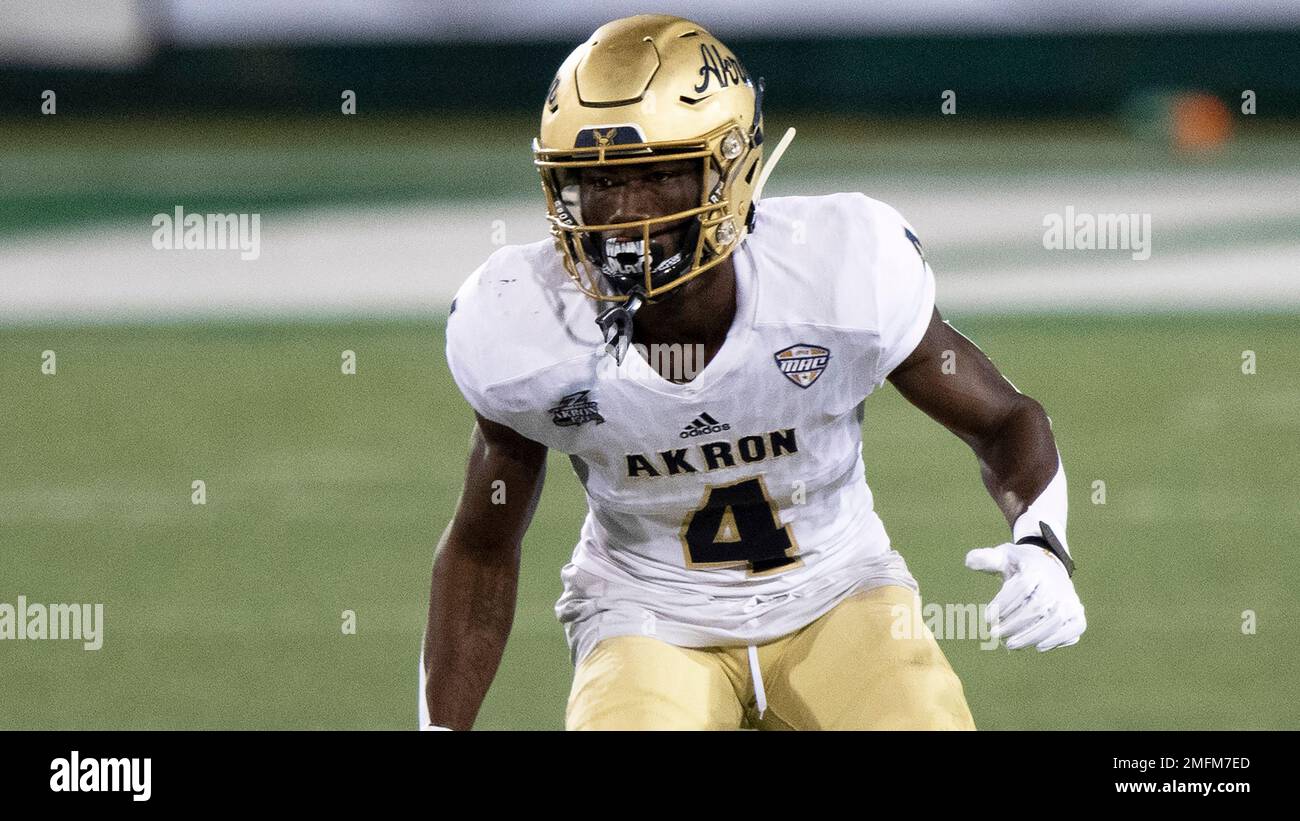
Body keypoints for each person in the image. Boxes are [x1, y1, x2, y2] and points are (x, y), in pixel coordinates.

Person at [420, 14, 1084, 730]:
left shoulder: (839, 273)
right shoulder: (526, 325)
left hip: (840, 593)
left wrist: (1041, 540)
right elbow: (482, 545)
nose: (621, 214)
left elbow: (1004, 419)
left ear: (730, 168)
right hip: (647, 611)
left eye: (656, 175)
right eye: (596, 182)